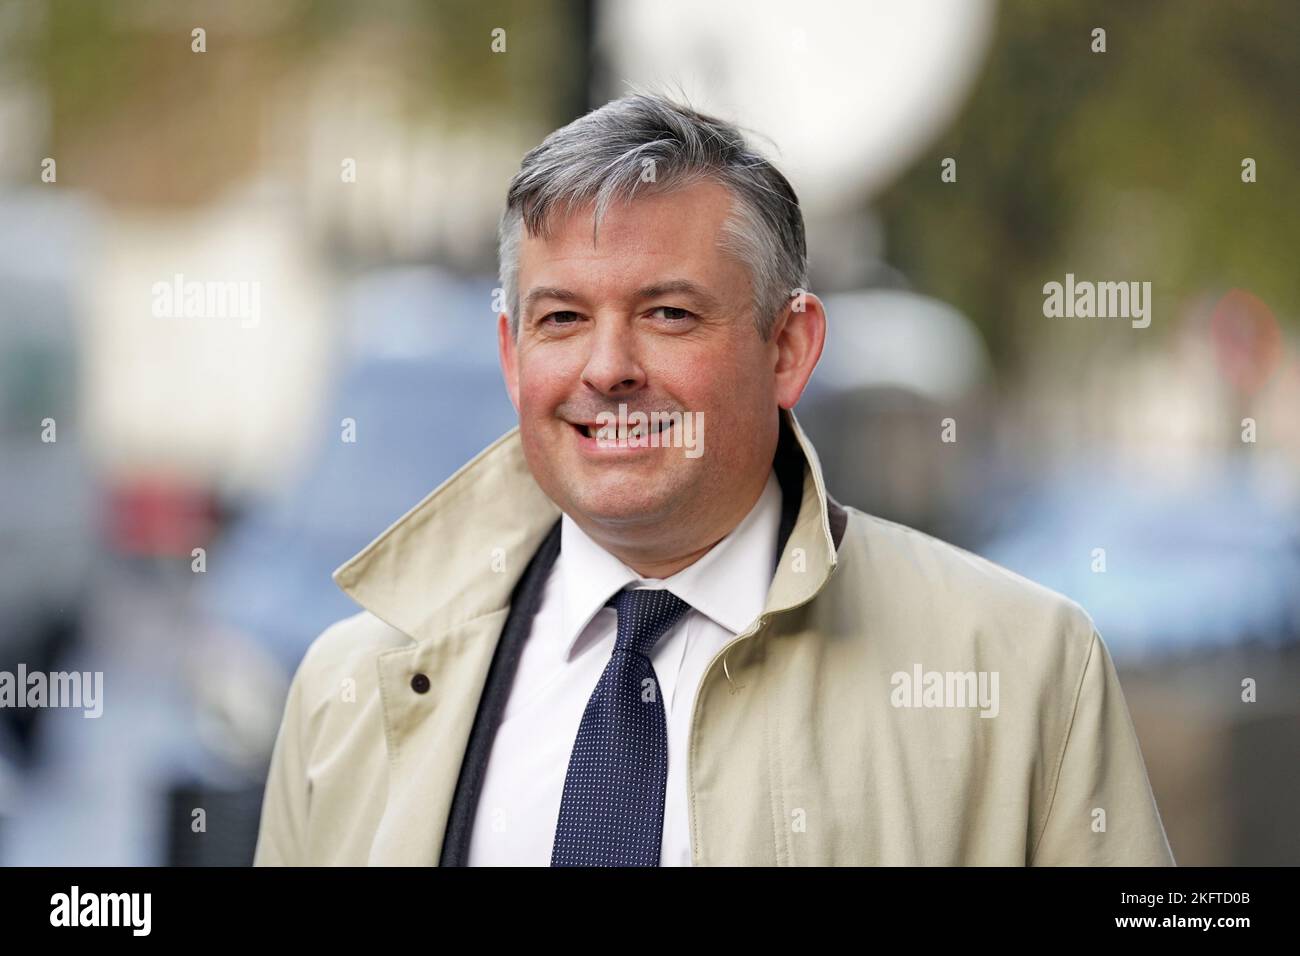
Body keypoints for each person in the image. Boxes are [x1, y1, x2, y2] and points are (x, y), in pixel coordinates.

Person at [253, 91, 1175, 866]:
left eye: (667, 312)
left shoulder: (1023, 672)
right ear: (511, 353)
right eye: (564, 317)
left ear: (788, 347)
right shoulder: (346, 690)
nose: (608, 368)